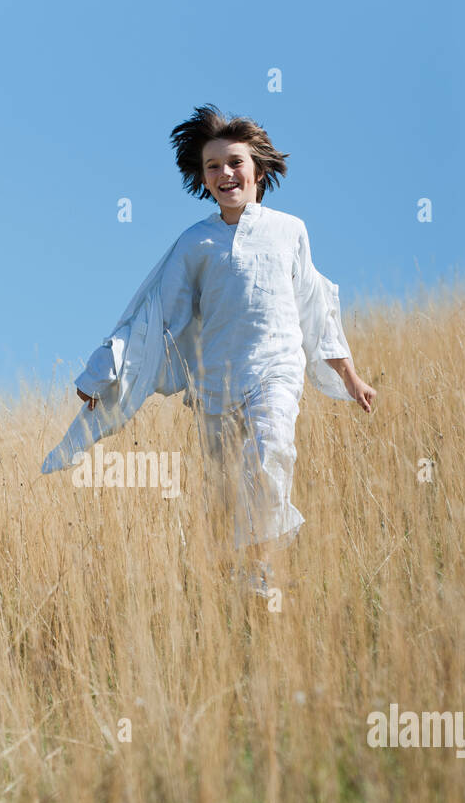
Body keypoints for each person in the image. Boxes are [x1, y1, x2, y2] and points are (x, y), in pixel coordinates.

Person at [52, 103, 376, 595]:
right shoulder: (194, 244)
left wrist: (349, 376)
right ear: (202, 179)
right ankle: (239, 581)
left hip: (277, 369)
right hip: (217, 384)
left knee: (270, 454)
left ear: (258, 170)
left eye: (235, 163)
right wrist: (105, 375)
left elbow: (315, 308)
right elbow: (155, 314)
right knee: (226, 488)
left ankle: (263, 572)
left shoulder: (290, 231)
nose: (225, 173)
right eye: (213, 167)